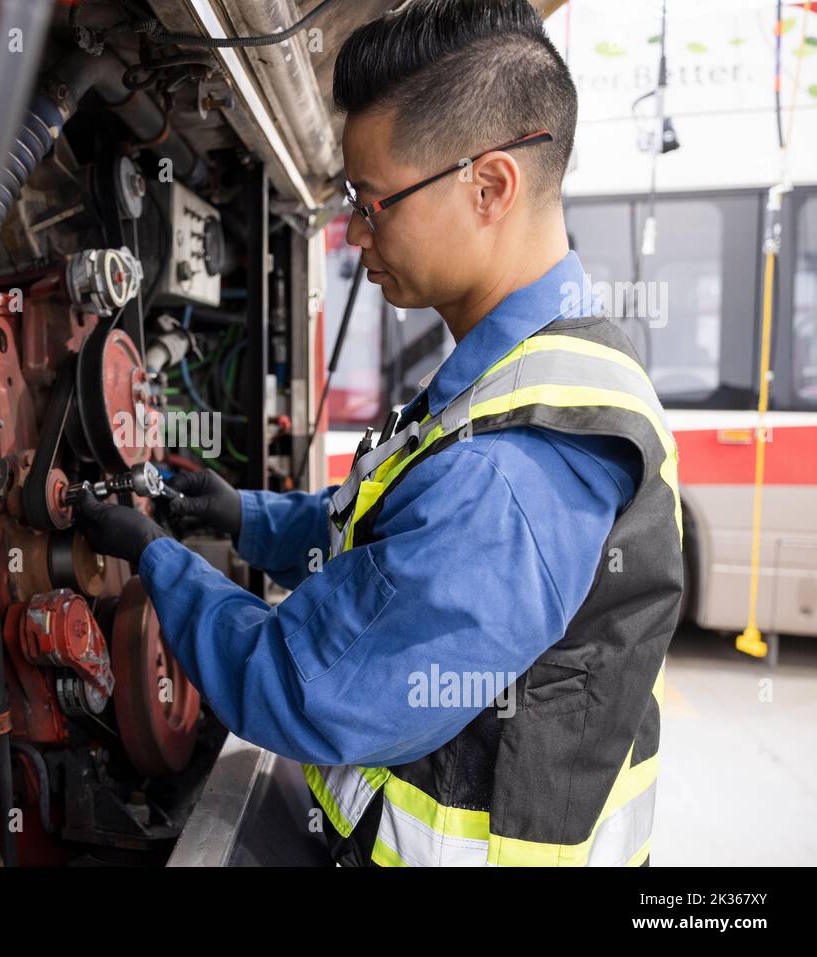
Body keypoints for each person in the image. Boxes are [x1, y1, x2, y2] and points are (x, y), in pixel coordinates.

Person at [75, 0, 682, 867]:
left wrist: (155, 558)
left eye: (372, 201)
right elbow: (393, 543)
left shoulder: (513, 476)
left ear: (490, 186)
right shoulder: (536, 366)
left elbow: (300, 685)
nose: (355, 233)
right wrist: (245, 514)